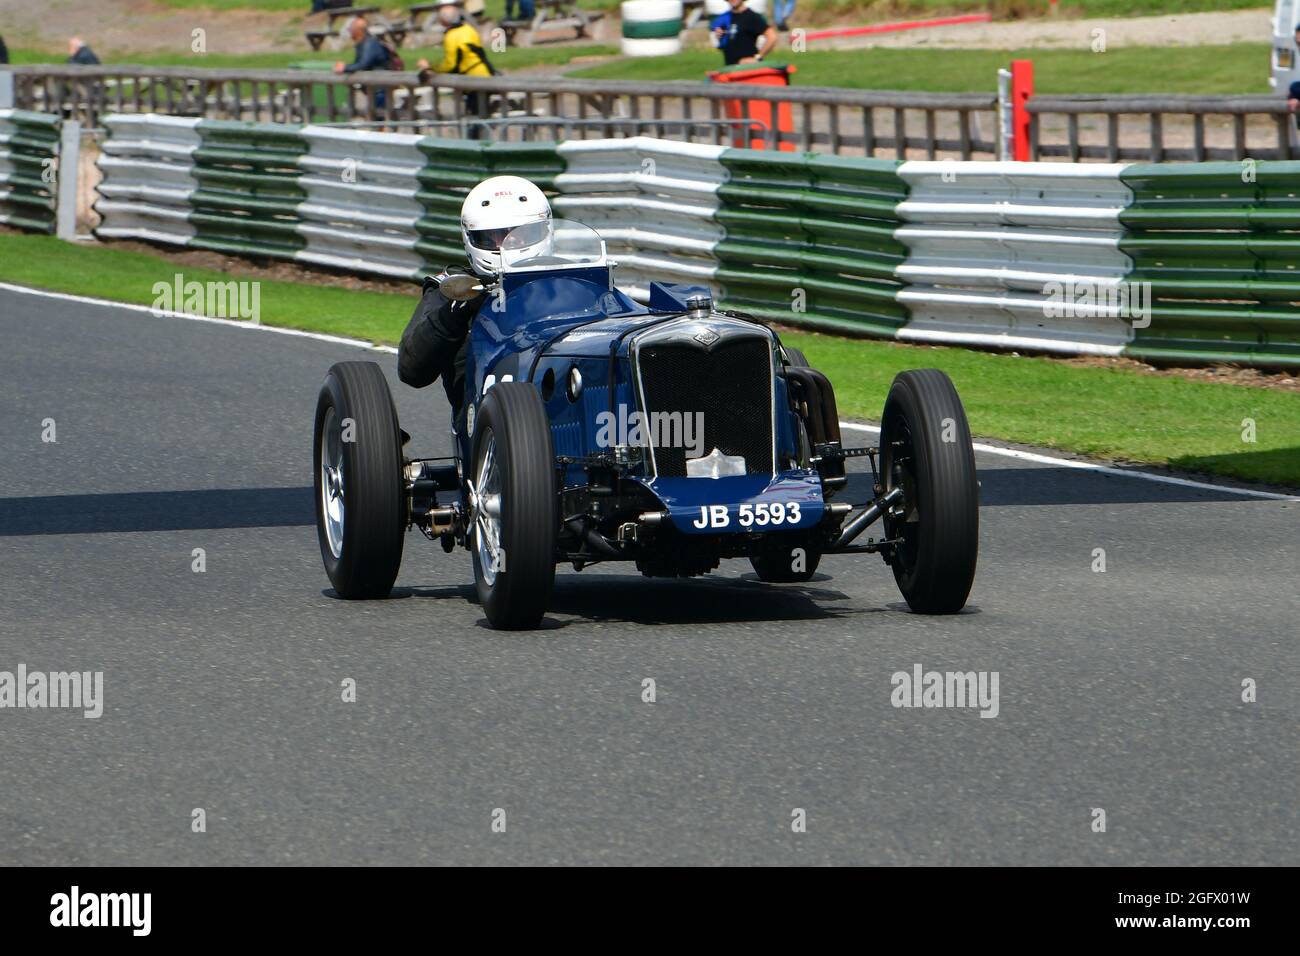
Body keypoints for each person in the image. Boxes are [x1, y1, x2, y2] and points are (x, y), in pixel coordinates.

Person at [398, 176, 552, 420]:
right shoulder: (452, 289)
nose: (506, 244)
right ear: (471, 238)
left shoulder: (570, 282)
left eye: (519, 234)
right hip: (483, 423)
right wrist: (456, 311)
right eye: (493, 236)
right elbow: (412, 372)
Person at [711, 0, 777, 67]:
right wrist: (720, 37)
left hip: (748, 69)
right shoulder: (725, 17)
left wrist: (757, 58)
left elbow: (772, 36)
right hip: (731, 68)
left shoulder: (751, 16)